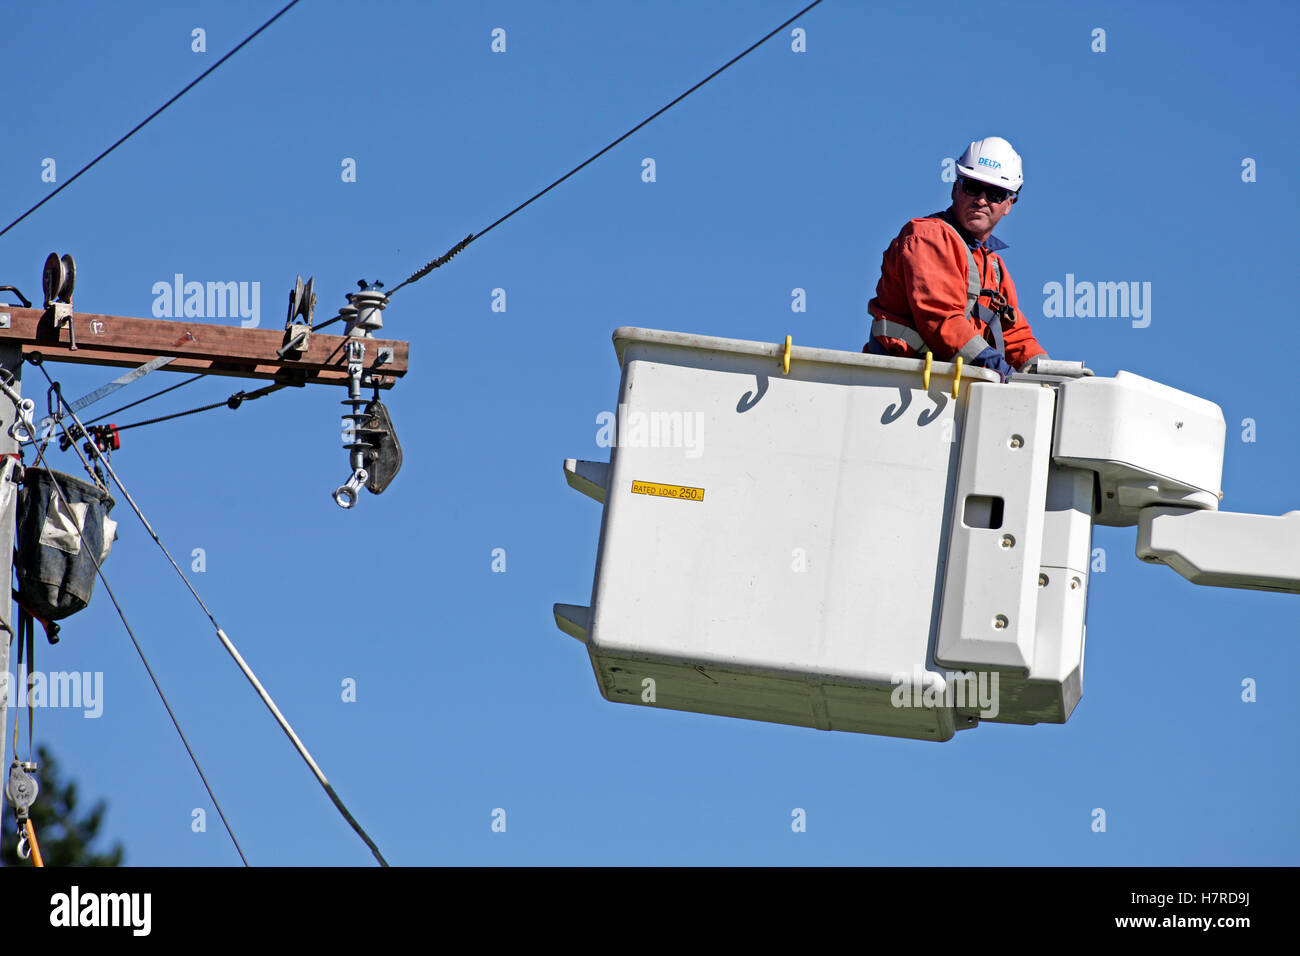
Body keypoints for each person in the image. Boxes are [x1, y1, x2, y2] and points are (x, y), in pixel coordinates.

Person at [864, 136, 1047, 382]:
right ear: (955, 188)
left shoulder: (993, 266)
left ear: (1008, 204)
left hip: (943, 390)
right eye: (972, 187)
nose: (981, 200)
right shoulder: (927, 238)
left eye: (994, 193)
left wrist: (1053, 373)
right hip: (897, 385)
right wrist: (998, 370)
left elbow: (1016, 337)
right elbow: (942, 321)